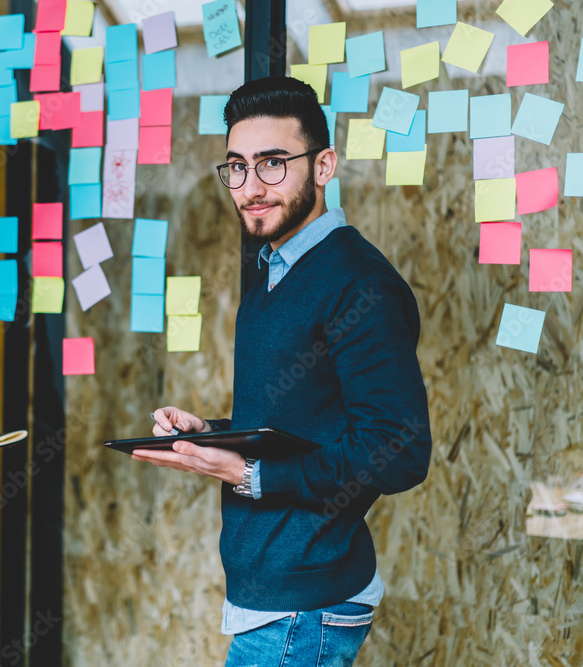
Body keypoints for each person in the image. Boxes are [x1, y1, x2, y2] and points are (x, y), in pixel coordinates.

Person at [134, 77, 432, 666]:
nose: (250, 187)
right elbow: (302, 419)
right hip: (271, 595)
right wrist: (213, 434)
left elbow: (397, 450)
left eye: (273, 164)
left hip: (306, 603)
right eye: (237, 168)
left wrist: (252, 475)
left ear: (323, 166)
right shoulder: (273, 272)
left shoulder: (358, 283)